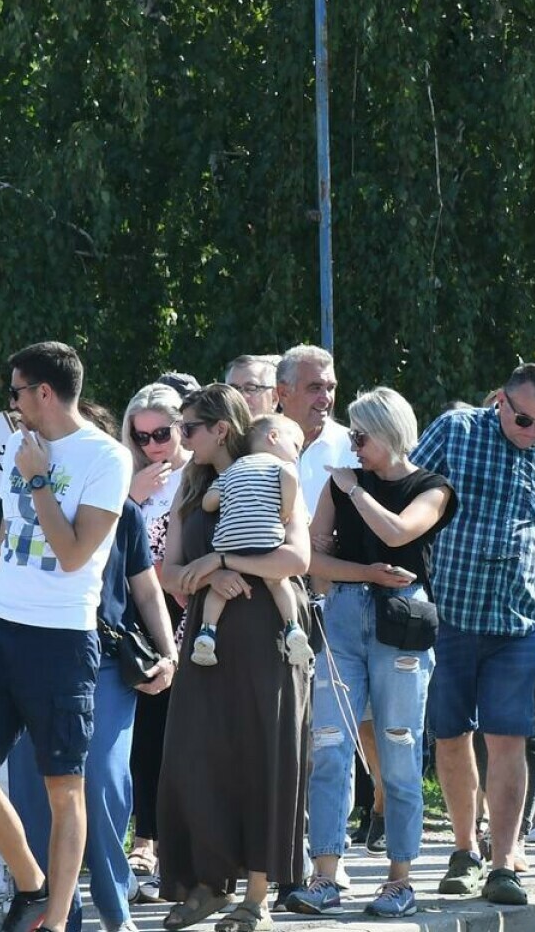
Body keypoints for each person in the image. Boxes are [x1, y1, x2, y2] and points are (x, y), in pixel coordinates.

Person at [0, 342, 134, 932]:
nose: (14, 403)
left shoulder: (106, 456)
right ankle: (30, 881)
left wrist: (38, 481)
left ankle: (55, 922)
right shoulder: (17, 446)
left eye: (17, 392)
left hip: (61, 639)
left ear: (43, 394)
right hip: (2, 629)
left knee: (64, 788)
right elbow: (5, 540)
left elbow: (76, 553)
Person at [2, 401, 179, 932]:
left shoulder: (122, 512)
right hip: (29, 655)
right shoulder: (16, 500)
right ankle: (51, 910)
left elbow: (145, 588)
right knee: (33, 788)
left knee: (101, 780)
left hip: (103, 661)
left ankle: (113, 906)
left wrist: (168, 652)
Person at [289, 388, 456, 918]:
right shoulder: (342, 485)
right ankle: (324, 874)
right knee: (331, 743)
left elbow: (400, 529)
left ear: (388, 433)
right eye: (353, 437)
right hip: (343, 616)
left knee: (398, 747)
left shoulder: (431, 487)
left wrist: (353, 493)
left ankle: (400, 877)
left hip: (401, 619)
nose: (353, 447)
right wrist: (361, 572)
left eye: (360, 436)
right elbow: (312, 557)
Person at [412, 363, 535, 904]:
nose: (532, 433)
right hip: (450, 616)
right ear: (501, 401)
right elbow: (409, 497)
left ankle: (504, 862)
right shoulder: (456, 431)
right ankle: (464, 849)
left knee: (510, 739)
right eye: (524, 419)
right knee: (452, 734)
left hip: (515, 625)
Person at [153, 384, 313, 931]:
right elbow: (168, 572)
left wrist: (224, 557)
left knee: (263, 756)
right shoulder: (188, 487)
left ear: (221, 428)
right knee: (195, 757)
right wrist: (207, 574)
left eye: (189, 428)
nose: (181, 438)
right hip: (207, 639)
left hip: (269, 635)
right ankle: (206, 883)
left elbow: (296, 556)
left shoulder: (271, 471)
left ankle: (259, 895)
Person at [119, 382, 190, 901]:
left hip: (195, 609)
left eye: (161, 433)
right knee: (147, 732)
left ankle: (186, 839)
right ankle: (145, 837)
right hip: (144, 613)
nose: (152, 446)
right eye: (140, 436)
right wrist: (133, 499)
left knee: (191, 735)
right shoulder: (126, 476)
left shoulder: (201, 473)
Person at [190, 413, 311, 667]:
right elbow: (290, 479)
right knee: (277, 581)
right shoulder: (280, 465)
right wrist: (286, 509)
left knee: (218, 590)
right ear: (274, 437)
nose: (297, 455)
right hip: (266, 537)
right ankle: (293, 627)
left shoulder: (231, 470)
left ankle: (207, 631)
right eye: (297, 446)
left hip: (229, 541)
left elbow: (208, 503)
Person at [276, 344, 360, 512]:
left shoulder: (355, 447)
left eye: (330, 388)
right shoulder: (256, 443)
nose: (326, 398)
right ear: (283, 392)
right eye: (315, 388)